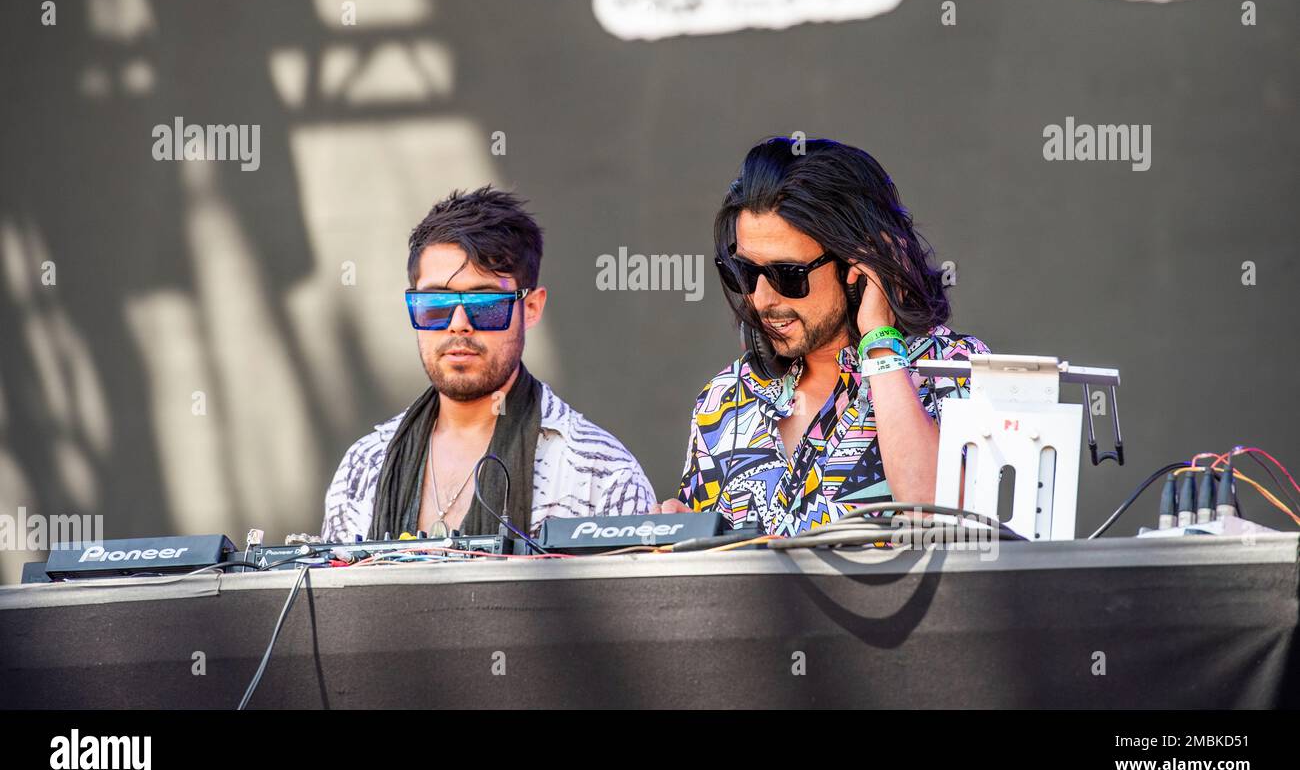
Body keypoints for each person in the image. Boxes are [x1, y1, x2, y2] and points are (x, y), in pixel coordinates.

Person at [656, 137, 990, 535]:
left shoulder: (951, 368)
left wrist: (880, 346)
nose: (761, 298)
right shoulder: (724, 398)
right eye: (743, 272)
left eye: (788, 275)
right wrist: (678, 533)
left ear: (859, 264)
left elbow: (940, 525)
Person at [322, 187, 654, 542]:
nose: (459, 322)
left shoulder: (600, 472)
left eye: (485, 303)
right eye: (435, 303)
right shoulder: (365, 465)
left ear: (531, 308)